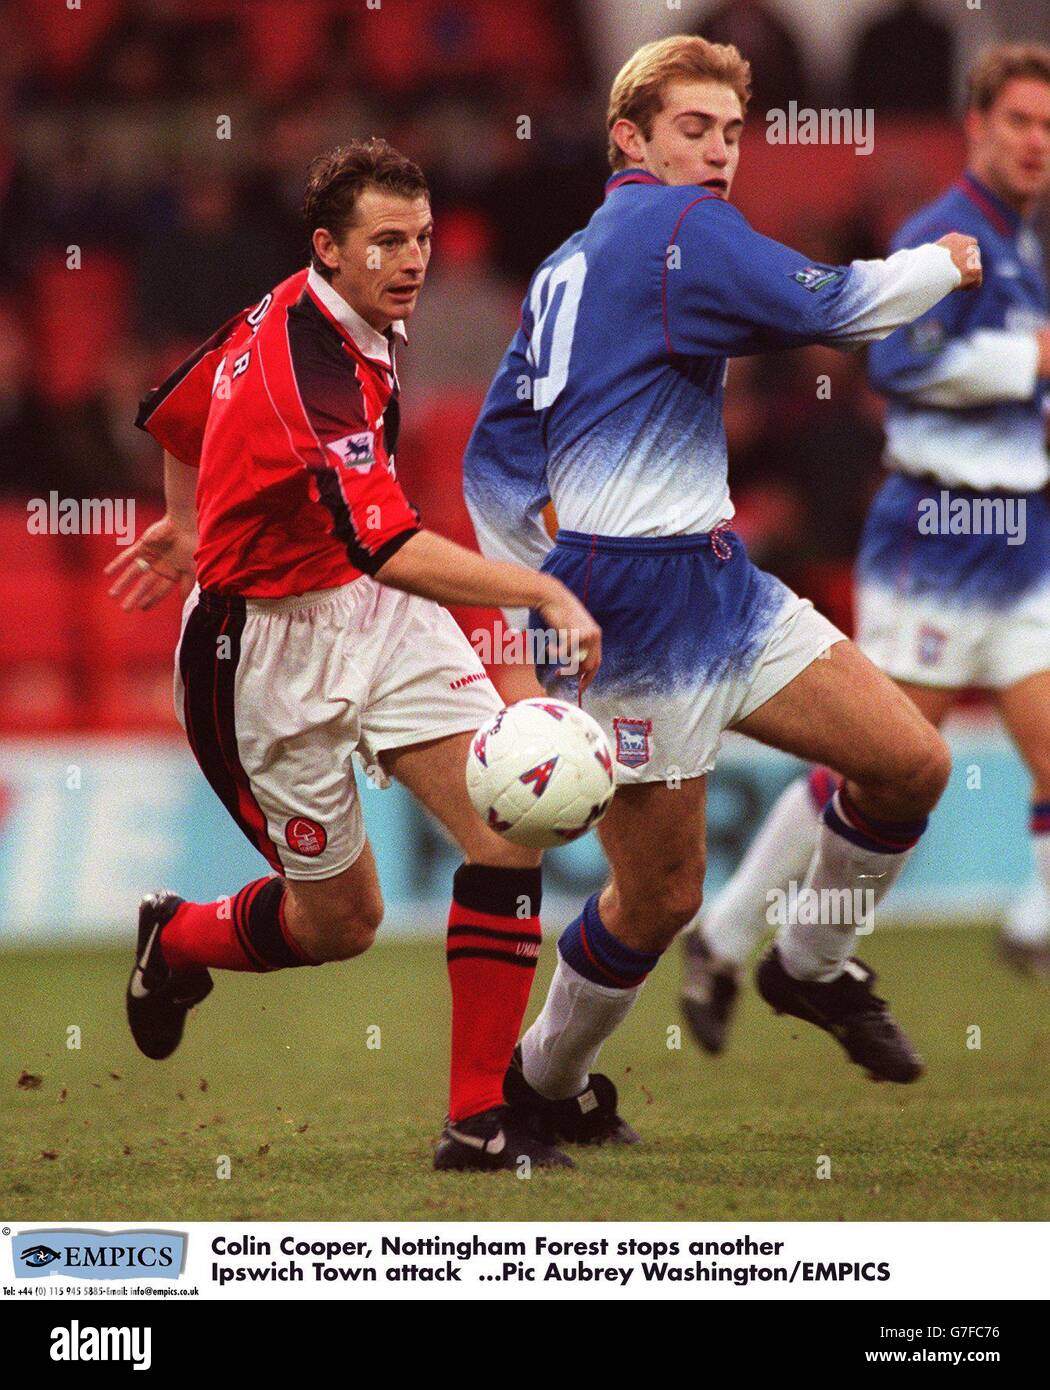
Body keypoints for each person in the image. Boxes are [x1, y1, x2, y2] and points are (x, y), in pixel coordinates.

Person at [463, 35, 983, 1143]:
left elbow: (493, 462)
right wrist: (943, 260)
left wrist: (534, 593)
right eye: (694, 129)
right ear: (630, 139)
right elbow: (836, 305)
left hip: (715, 578)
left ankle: (809, 961)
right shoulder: (675, 228)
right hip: (637, 614)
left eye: (733, 133)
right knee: (659, 896)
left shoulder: (567, 264)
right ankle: (543, 1088)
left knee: (910, 763)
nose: (719, 153)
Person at [106, 138, 601, 1173]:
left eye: (419, 238)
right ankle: (178, 937)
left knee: (509, 819)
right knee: (344, 923)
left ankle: (478, 1118)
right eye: (386, 242)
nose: (410, 259)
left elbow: (178, 407)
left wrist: (186, 515)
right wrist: (543, 589)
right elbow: (395, 542)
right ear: (329, 247)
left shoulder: (302, 303)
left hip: (370, 609)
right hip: (262, 653)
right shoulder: (309, 371)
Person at [684, 43, 1050, 1054]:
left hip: (1020, 535)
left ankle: (1033, 924)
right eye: (1019, 120)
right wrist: (1029, 358)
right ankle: (735, 932)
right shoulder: (948, 235)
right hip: (938, 532)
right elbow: (896, 356)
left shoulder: (1025, 246)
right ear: (975, 128)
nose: (1035, 142)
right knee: (884, 762)